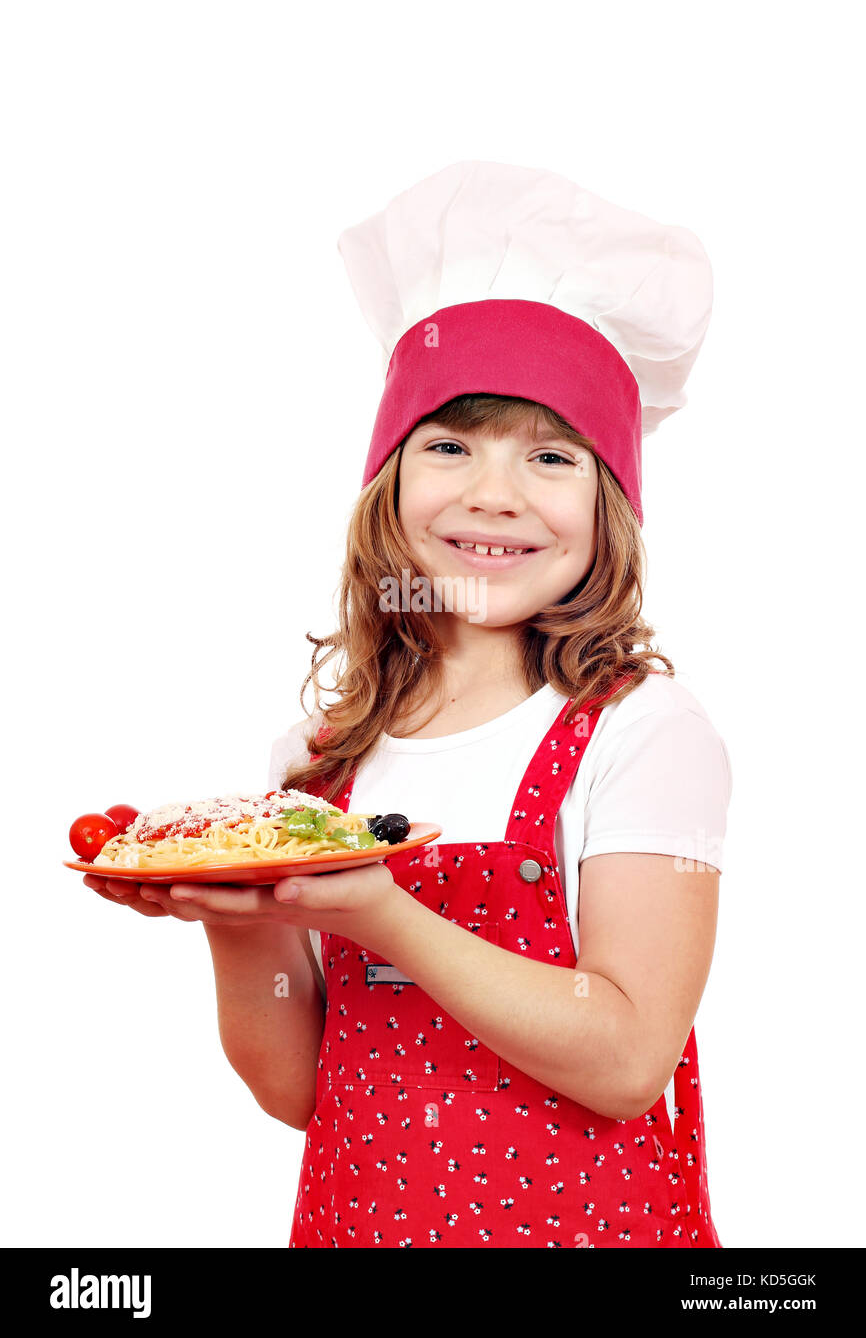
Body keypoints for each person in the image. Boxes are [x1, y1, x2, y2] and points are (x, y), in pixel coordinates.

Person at [85, 161, 732, 1249]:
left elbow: (626, 1062)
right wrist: (235, 920)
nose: (494, 492)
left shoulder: (638, 733)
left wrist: (377, 911)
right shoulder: (322, 760)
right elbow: (300, 1088)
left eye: (548, 454)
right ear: (386, 488)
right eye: (448, 444)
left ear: (608, 509)